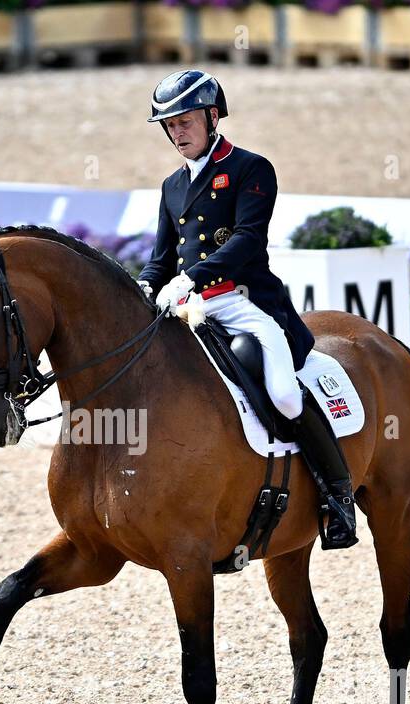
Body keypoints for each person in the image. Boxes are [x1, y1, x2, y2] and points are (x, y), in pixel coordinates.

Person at [135, 69, 358, 549]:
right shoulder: (171, 186)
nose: (177, 133)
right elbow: (159, 258)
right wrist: (143, 287)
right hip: (191, 310)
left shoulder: (250, 169)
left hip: (245, 304)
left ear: (213, 117)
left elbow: (247, 239)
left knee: (282, 393)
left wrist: (190, 277)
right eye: (169, 125)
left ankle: (338, 495)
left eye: (186, 121)